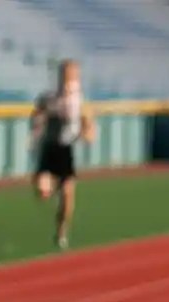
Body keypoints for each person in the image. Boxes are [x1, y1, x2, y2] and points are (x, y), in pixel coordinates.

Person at [31, 59, 95, 251]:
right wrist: (37, 125)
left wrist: (86, 131)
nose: (70, 78)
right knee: (43, 192)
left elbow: (89, 125)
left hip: (66, 150)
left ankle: (61, 231)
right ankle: (46, 187)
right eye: (67, 74)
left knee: (67, 197)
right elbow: (37, 113)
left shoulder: (80, 101)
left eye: (74, 74)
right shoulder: (49, 98)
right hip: (49, 148)